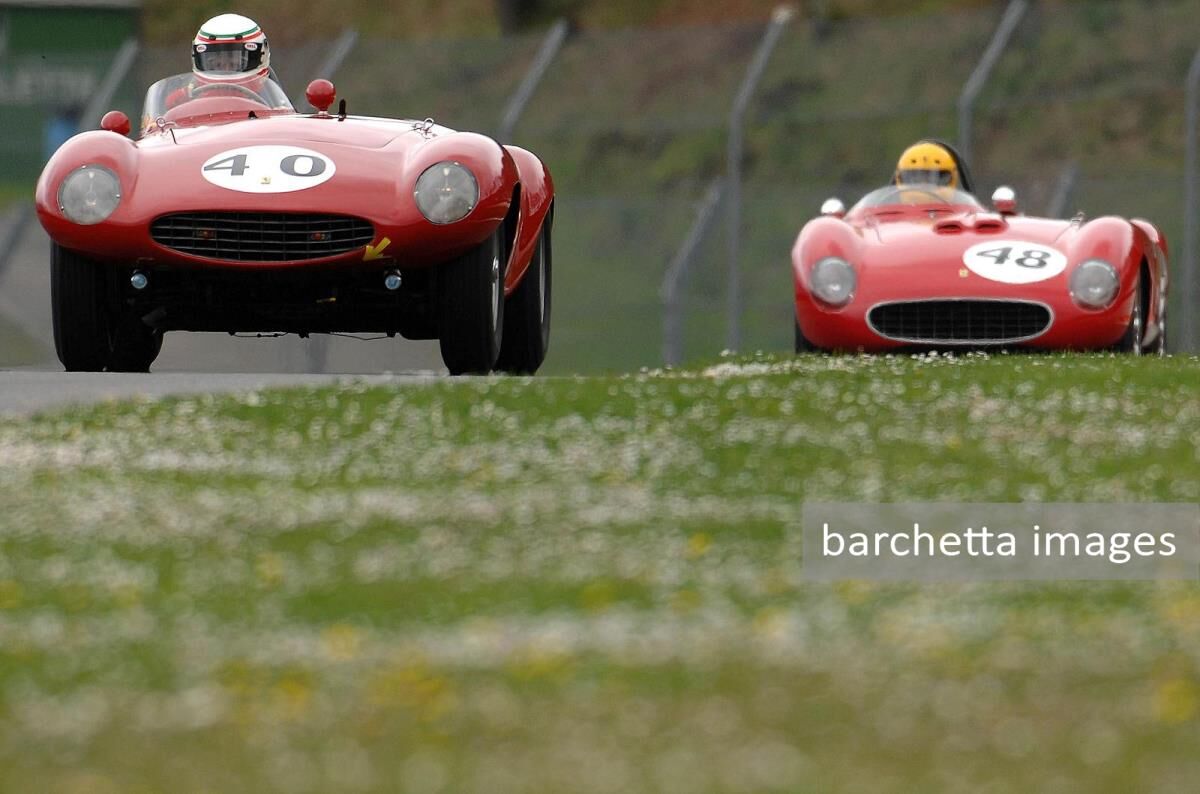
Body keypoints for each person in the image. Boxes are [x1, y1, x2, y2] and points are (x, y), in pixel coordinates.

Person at [167, 14, 275, 108]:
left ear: (261, 57)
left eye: (235, 65)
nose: (226, 71)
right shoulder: (179, 101)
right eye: (216, 65)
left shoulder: (274, 103)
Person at [892, 139, 976, 195]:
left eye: (930, 179)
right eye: (917, 179)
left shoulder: (963, 215)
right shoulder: (887, 216)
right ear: (899, 178)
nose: (923, 185)